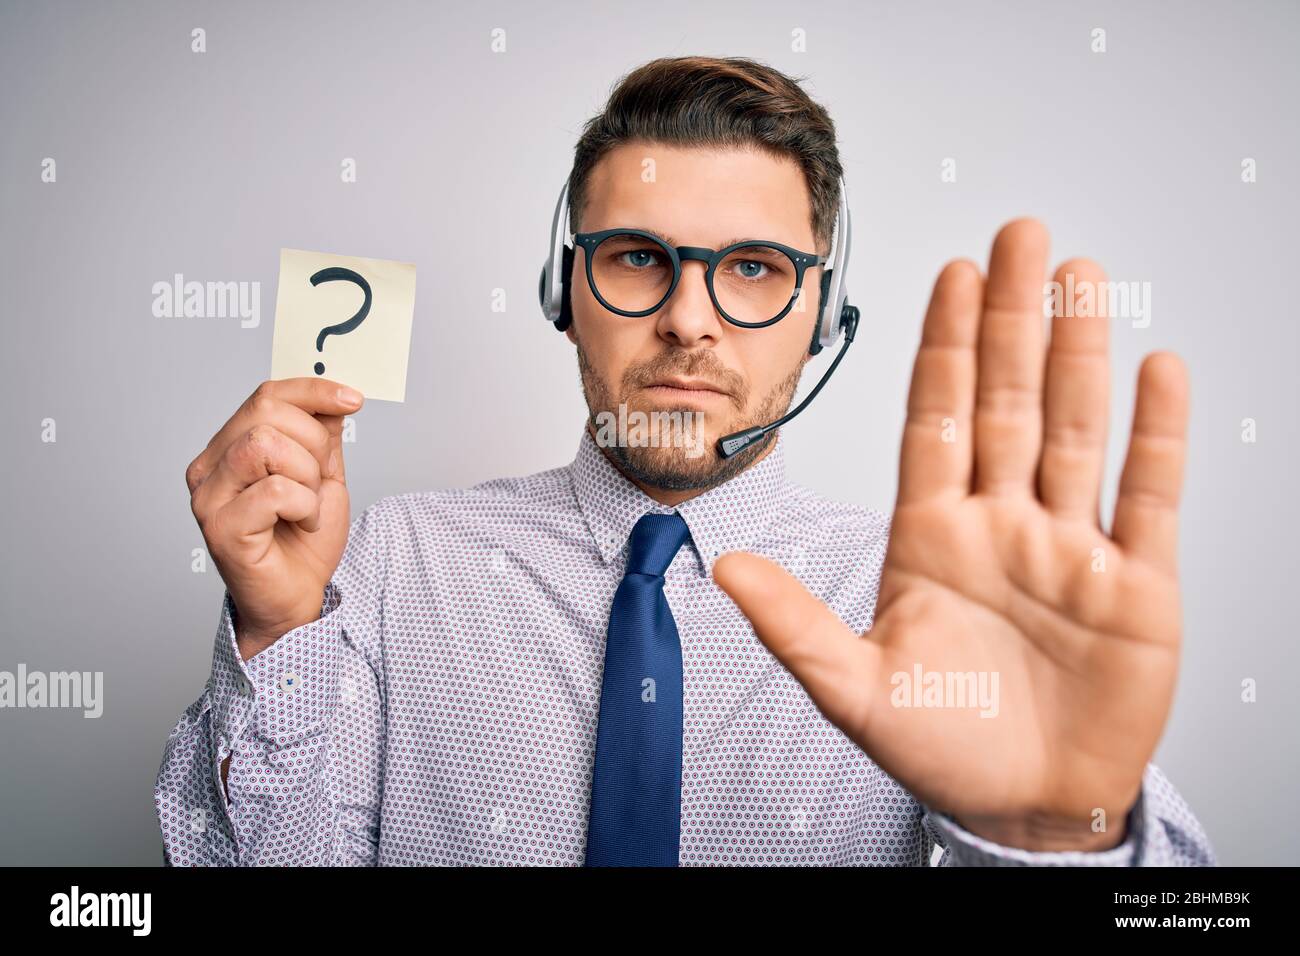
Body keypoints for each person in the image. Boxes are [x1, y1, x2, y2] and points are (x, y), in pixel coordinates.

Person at [155, 55, 1214, 866]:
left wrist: (1051, 831)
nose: (688, 319)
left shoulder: (939, 602)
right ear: (562, 294)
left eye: (752, 268)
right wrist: (279, 632)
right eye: (637, 259)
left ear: (821, 317)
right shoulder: (391, 560)